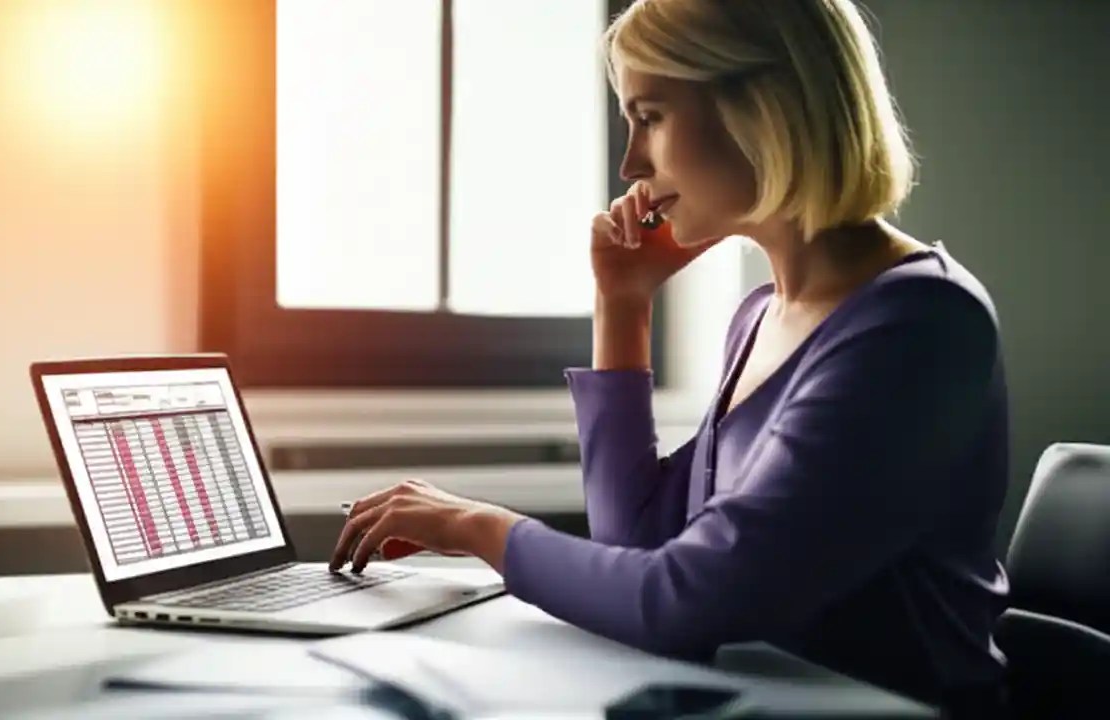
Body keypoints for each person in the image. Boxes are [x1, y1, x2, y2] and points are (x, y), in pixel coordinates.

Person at [330, 0, 1010, 714]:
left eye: (650, 116)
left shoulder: (919, 325)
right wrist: (622, 304)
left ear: (766, 106)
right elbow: (639, 542)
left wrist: (478, 528)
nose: (630, 164)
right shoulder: (759, 317)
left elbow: (685, 602)